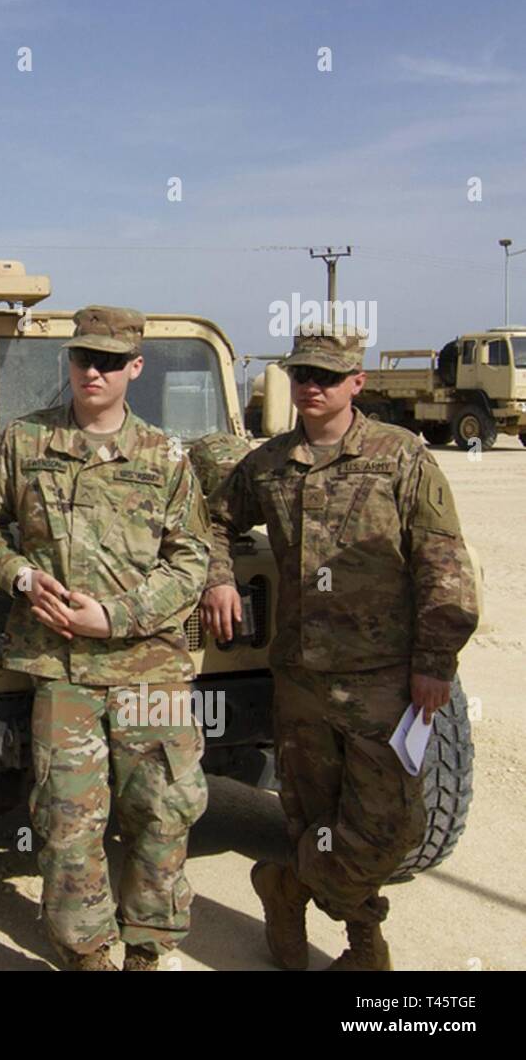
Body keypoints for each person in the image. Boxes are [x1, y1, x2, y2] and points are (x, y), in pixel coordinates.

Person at [201, 327, 478, 971]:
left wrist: (436, 662)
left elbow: (444, 563)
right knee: (313, 818)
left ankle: (287, 887)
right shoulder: (269, 463)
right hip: (300, 678)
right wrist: (218, 576)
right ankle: (361, 943)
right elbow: (212, 519)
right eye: (301, 375)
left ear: (358, 382)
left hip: (381, 679)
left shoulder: (401, 456)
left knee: (389, 828)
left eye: (326, 376)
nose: (311, 386)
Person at [0, 307, 211, 971]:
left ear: (135, 367)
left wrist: (118, 617)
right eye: (82, 358)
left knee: (163, 811)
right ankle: (86, 952)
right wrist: (16, 574)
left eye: (108, 360)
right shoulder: (24, 442)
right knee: (69, 823)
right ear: (69, 363)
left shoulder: (165, 455)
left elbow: (192, 559)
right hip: (62, 669)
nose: (93, 371)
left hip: (149, 667)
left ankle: (150, 950)